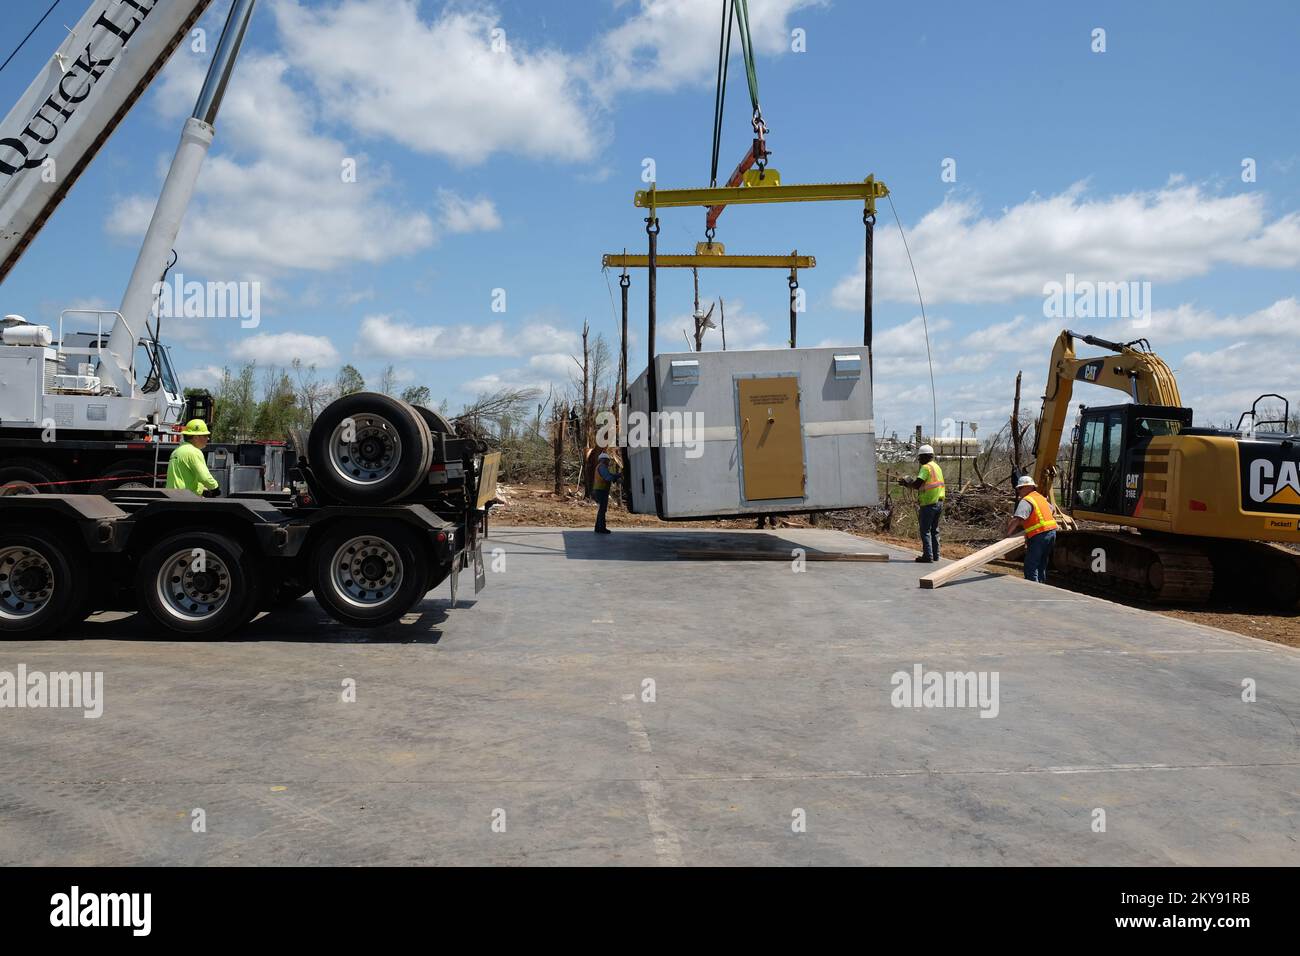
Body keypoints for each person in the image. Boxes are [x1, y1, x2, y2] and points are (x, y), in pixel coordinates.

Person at [897, 444, 945, 563]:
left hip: (929, 503)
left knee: (925, 530)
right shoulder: (937, 467)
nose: (919, 460)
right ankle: (935, 555)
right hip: (939, 502)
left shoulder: (926, 467)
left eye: (919, 457)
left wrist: (906, 483)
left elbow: (918, 485)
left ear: (924, 456)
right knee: (934, 530)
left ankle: (927, 556)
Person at [1006, 475, 1058, 582]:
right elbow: (1052, 510)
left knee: (1031, 566)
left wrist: (1008, 535)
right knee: (1041, 564)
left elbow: (1017, 519)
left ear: (1028, 487)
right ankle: (1041, 587)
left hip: (1039, 535)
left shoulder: (1026, 501)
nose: (1018, 491)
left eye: (1020, 488)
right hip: (1052, 533)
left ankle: (1033, 589)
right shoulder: (1040, 497)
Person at [166, 419, 220, 497]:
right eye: (205, 436)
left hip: (172, 496)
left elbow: (184, 476)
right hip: (186, 498)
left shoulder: (176, 451)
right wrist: (215, 488)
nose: (207, 438)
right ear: (195, 437)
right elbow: (204, 477)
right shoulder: (193, 452)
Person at [592, 450, 622, 534]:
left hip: (599, 490)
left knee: (601, 510)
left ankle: (598, 528)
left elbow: (608, 476)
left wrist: (616, 476)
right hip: (601, 491)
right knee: (602, 510)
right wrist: (618, 476)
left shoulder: (600, 466)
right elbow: (608, 477)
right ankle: (601, 528)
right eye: (608, 460)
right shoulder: (602, 467)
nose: (609, 462)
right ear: (604, 460)